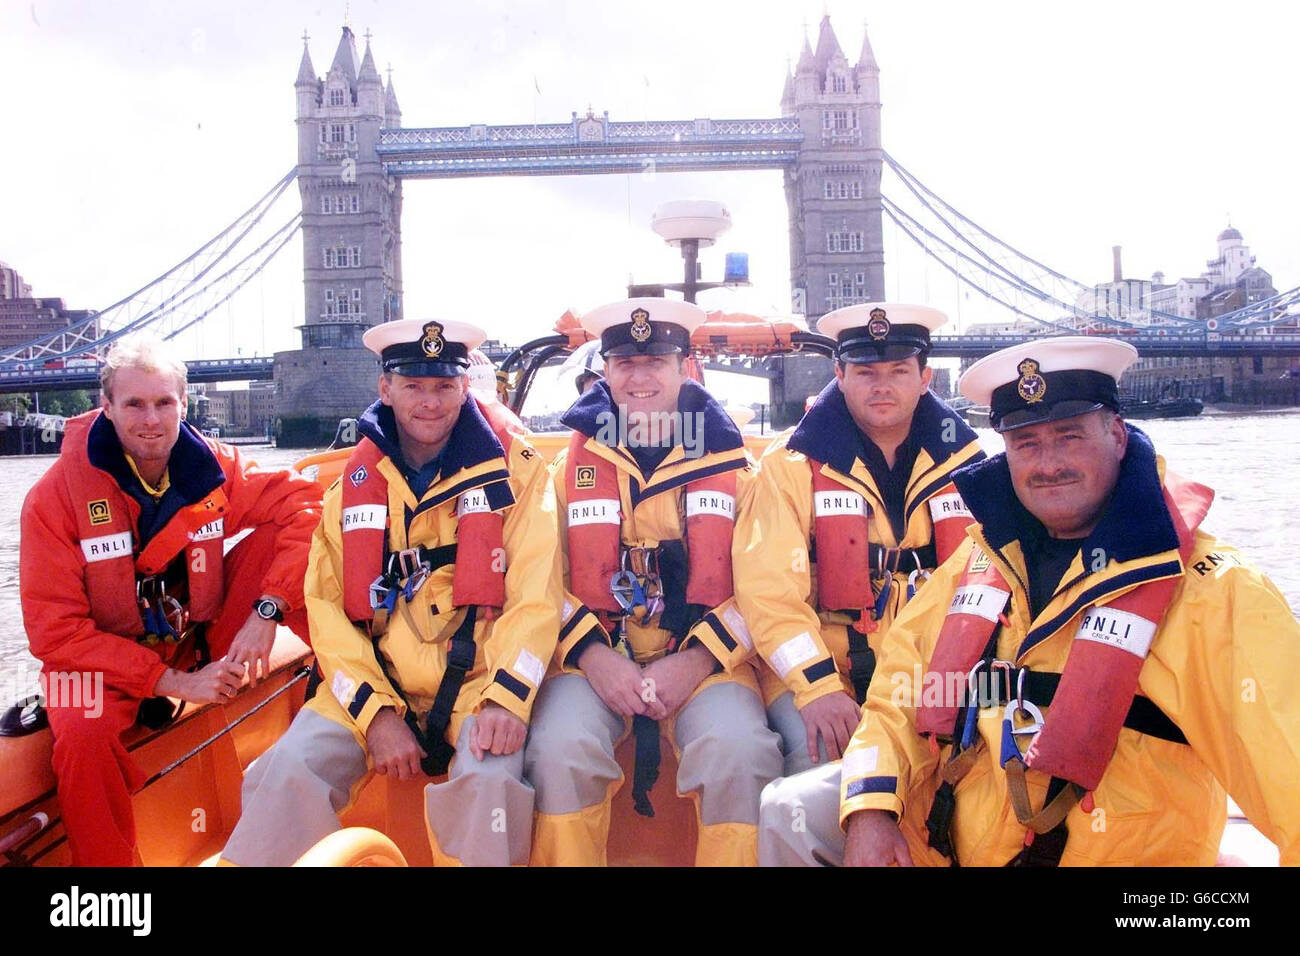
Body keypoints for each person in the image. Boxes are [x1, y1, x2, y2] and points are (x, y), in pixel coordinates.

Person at [820, 336, 1299, 866]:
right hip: (950, 846)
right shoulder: (981, 558)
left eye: (1068, 437)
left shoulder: (1217, 594)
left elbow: (1290, 773)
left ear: (1117, 435)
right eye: (1025, 443)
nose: (1048, 464)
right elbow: (896, 695)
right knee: (789, 811)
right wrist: (869, 811)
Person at [222, 318, 569, 866]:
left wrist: (508, 696)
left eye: (443, 386)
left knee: (492, 784)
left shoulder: (521, 476)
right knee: (285, 771)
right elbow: (327, 612)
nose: (429, 402)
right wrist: (377, 714)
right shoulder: (348, 489)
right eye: (412, 386)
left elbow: (537, 596)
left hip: (482, 686)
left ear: (464, 388)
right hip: (372, 685)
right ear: (385, 389)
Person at [19, 335, 322, 867]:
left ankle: (347, 712)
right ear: (106, 407)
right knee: (81, 736)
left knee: (292, 550)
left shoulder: (215, 468)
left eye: (164, 402)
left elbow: (307, 504)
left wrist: (267, 608)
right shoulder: (53, 498)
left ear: (185, 405)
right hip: (95, 663)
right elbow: (56, 636)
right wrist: (173, 684)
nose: (150, 419)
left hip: (194, 639)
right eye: (134, 403)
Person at [524, 297, 782, 866]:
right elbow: (538, 582)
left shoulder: (743, 471)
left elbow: (765, 589)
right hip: (592, 660)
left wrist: (695, 661)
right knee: (557, 751)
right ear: (607, 372)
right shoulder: (562, 474)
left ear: (684, 367)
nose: (639, 378)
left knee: (740, 754)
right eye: (624, 364)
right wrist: (595, 657)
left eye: (655, 363)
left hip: (707, 662)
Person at [739, 303, 985, 866]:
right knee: (823, 771)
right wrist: (817, 687)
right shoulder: (789, 467)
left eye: (899, 371)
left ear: (926, 378)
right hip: (827, 678)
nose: (883, 385)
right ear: (840, 376)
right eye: (866, 373)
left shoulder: (972, 464)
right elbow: (768, 591)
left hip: (931, 679)